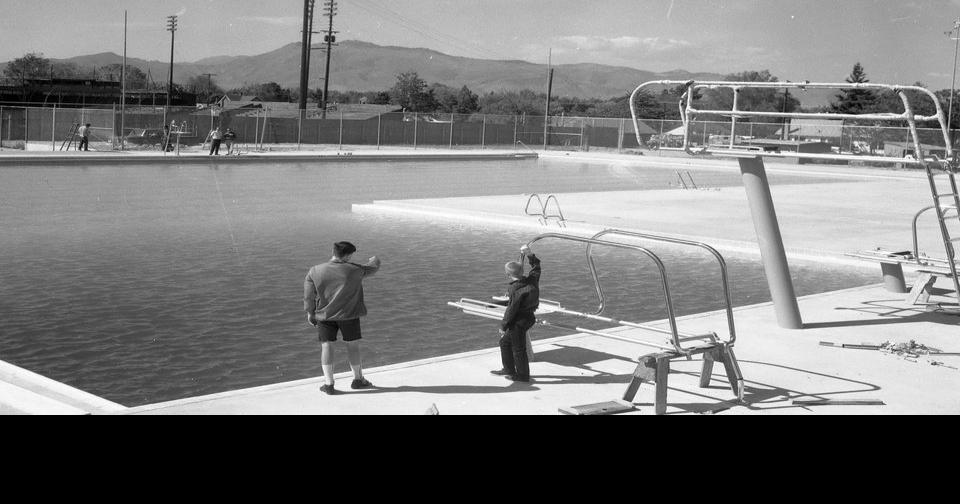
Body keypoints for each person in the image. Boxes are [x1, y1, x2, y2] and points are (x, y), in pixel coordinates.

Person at [304, 241, 382, 395]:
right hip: (349, 315)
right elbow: (373, 268)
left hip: (325, 316)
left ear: (333, 252)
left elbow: (308, 296)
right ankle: (358, 380)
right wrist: (376, 259)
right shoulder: (355, 270)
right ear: (347, 255)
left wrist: (310, 313)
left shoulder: (314, 271)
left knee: (327, 346)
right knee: (352, 346)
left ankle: (329, 384)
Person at [491, 245, 541, 383]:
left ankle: (523, 376)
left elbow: (512, 309)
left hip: (518, 321)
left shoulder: (514, 288)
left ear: (508, 275)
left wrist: (503, 325)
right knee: (504, 342)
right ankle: (508, 369)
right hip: (529, 317)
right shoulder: (532, 280)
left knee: (518, 349)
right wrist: (529, 254)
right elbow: (536, 267)